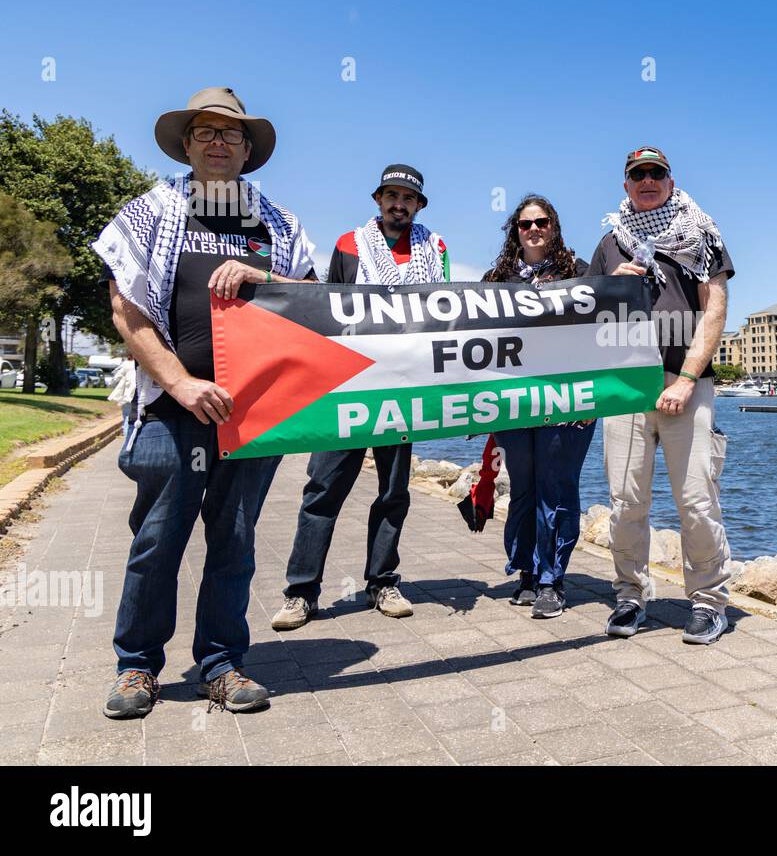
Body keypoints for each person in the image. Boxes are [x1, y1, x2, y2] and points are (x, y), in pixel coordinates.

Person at [92, 87, 317, 717]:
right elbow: (126, 309)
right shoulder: (147, 216)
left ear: (248, 150)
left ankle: (221, 663)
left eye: (231, 134)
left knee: (236, 542)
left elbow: (316, 304)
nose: (218, 142)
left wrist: (261, 276)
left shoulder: (280, 225)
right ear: (187, 145)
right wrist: (181, 384)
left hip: (253, 414)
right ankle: (137, 667)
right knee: (157, 540)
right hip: (173, 408)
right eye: (205, 132)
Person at [271, 165, 449, 630]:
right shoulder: (349, 245)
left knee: (393, 491)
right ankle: (301, 592)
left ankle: (382, 581)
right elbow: (328, 309)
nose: (398, 204)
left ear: (419, 205)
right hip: (348, 384)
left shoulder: (437, 248)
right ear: (378, 200)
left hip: (405, 386)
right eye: (391, 195)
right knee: (322, 488)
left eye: (407, 198)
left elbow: (448, 312)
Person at [590, 147, 735, 644]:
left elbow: (714, 310)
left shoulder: (702, 233)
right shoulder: (610, 242)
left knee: (696, 501)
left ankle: (709, 602)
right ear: (626, 184)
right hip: (627, 391)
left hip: (685, 385)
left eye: (657, 173)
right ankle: (630, 596)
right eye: (638, 175)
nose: (647, 180)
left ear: (671, 180)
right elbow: (585, 317)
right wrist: (609, 285)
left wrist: (687, 379)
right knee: (627, 502)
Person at [477, 195, 594, 617]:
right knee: (523, 488)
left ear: (554, 226)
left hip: (566, 401)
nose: (534, 229)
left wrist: (591, 394)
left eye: (542, 222)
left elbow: (600, 335)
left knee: (557, 488)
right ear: (515, 231)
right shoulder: (496, 280)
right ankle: (524, 569)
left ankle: (552, 580)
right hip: (512, 403)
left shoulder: (580, 275)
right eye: (525, 224)